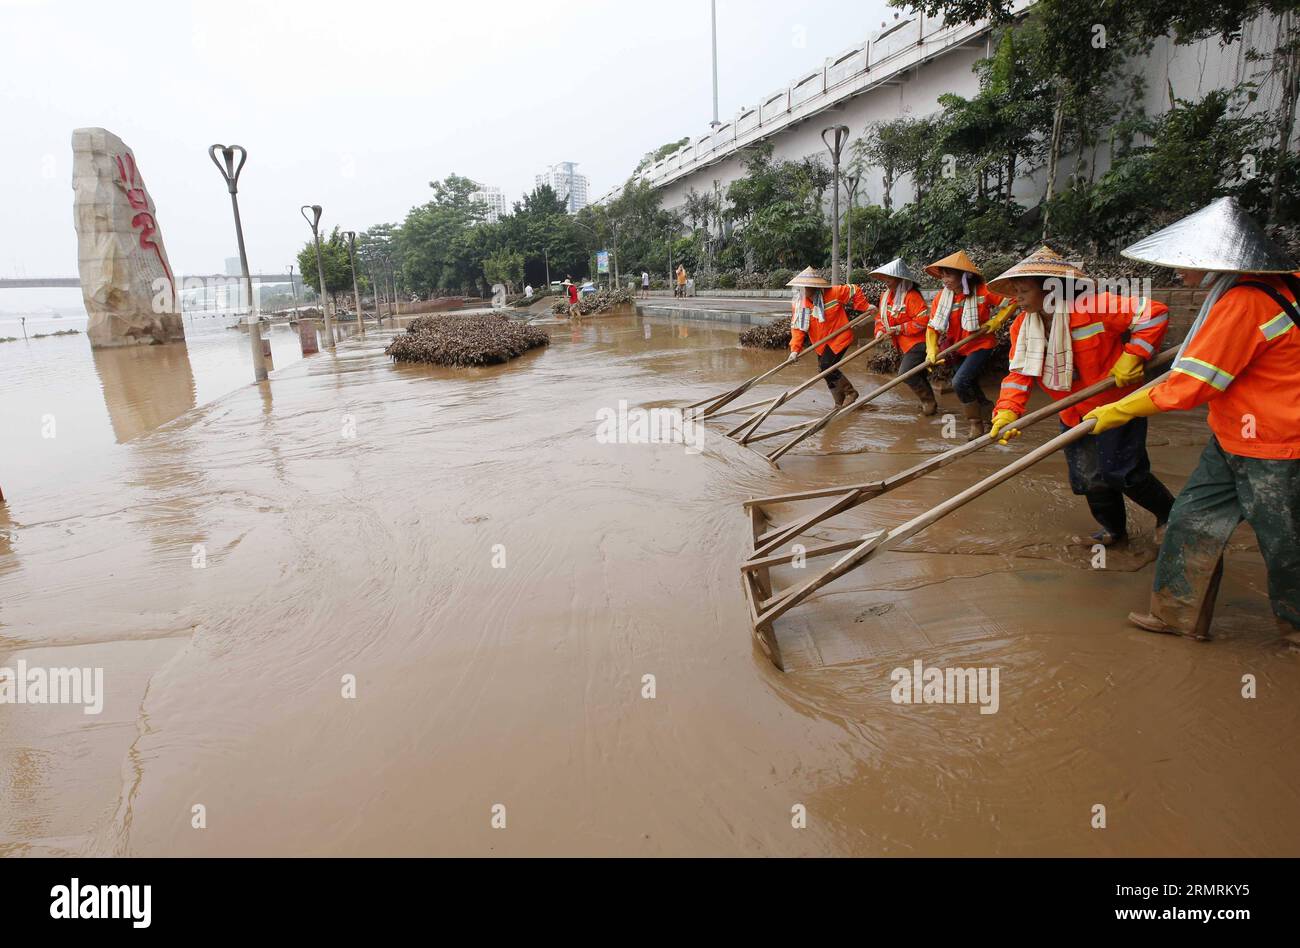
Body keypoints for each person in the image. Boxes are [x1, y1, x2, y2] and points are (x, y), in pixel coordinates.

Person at [1081, 198, 1300, 645]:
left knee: (1284, 543)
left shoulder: (1244, 303)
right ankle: (1179, 615)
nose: (1178, 272)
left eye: (1185, 263)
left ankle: (1296, 627)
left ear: (1219, 263)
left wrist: (1117, 409)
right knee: (1190, 520)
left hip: (1277, 445)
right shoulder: (1277, 287)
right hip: (1232, 437)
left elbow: (1191, 385)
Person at [986, 246, 1174, 548]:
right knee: (1088, 479)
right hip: (1072, 413)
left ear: (1050, 289)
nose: (1016, 298)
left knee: (1124, 473)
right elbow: (1019, 374)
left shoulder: (1093, 306)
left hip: (1117, 406)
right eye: (1016, 291)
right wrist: (1007, 411)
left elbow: (1153, 314)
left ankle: (1169, 514)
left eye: (1023, 291)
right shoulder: (1023, 326)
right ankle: (1114, 531)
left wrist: (1134, 356)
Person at [923, 250, 1017, 439]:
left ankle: (976, 423)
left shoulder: (983, 290)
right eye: (942, 275)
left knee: (960, 382)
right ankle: (990, 412)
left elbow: (1013, 301)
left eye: (948, 274)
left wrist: (996, 321)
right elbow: (932, 327)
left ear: (963, 275)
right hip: (958, 348)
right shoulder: (942, 297)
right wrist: (931, 349)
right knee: (970, 383)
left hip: (981, 344)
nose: (944, 279)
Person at [786, 266, 869, 408]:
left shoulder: (833, 293)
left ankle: (850, 393)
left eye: (805, 287)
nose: (802, 291)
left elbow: (854, 290)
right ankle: (839, 402)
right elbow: (797, 329)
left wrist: (864, 306)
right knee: (824, 371)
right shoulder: (800, 305)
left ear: (814, 287)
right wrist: (795, 350)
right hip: (821, 344)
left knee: (826, 367)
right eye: (800, 288)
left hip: (839, 337)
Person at [869, 258, 934, 415]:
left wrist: (900, 328)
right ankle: (930, 403)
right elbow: (880, 317)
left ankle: (928, 402)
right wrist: (879, 331)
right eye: (885, 278)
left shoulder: (912, 296)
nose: (886, 281)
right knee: (917, 373)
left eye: (889, 278)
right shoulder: (885, 296)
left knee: (906, 373)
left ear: (900, 279)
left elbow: (923, 320)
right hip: (903, 344)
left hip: (918, 343)